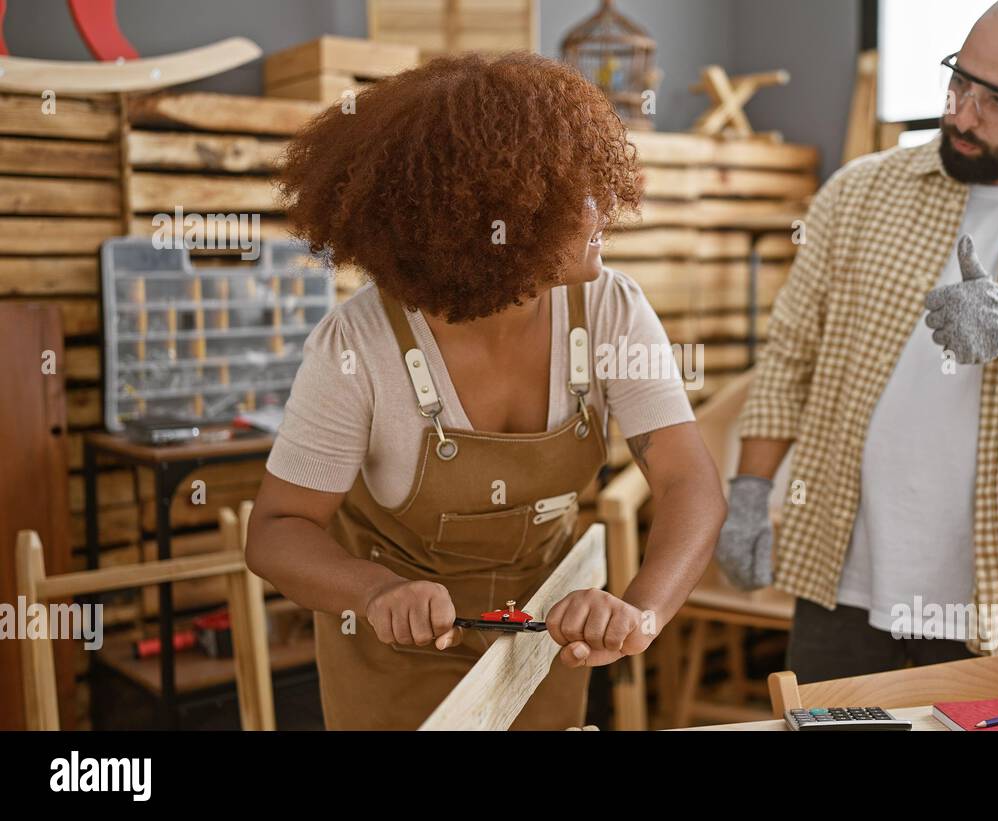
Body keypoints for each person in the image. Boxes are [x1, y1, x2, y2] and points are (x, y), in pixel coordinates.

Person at [246, 52, 725, 729]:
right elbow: (275, 531)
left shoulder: (610, 308)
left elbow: (688, 482)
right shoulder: (358, 345)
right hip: (393, 663)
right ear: (489, 223)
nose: (599, 210)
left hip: (540, 640)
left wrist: (639, 609)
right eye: (567, 193)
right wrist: (378, 591)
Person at [716, 0, 998, 681]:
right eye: (960, 82)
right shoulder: (859, 194)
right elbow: (790, 355)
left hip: (992, 596)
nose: (963, 114)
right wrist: (749, 491)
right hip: (839, 579)